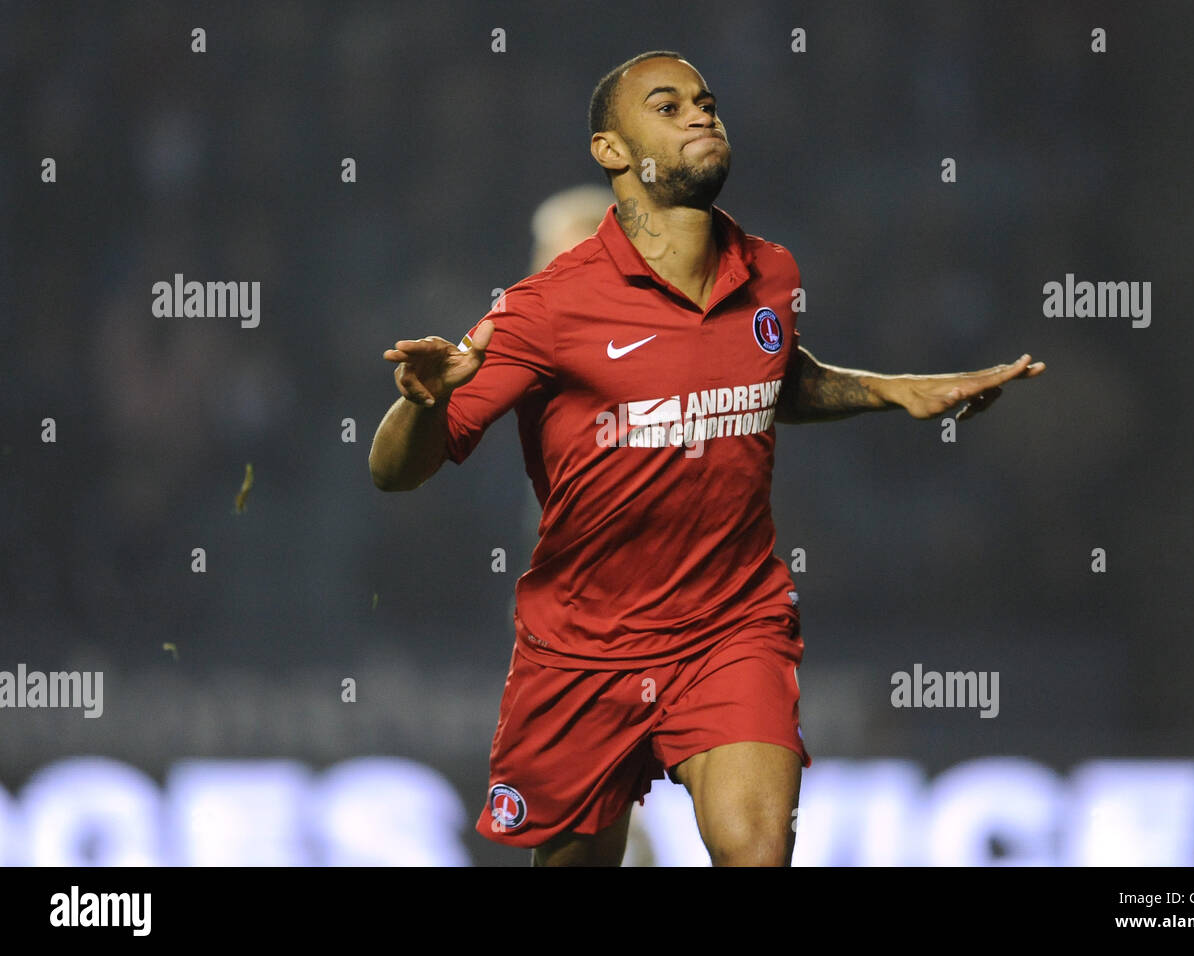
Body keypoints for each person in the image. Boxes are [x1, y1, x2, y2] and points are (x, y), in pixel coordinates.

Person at [368, 50, 1045, 867]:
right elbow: (394, 471)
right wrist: (423, 399)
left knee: (756, 853)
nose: (700, 114)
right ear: (612, 151)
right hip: (585, 648)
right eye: (667, 105)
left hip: (733, 627)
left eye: (706, 100)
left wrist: (892, 391)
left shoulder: (771, 273)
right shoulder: (546, 308)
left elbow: (772, 380)